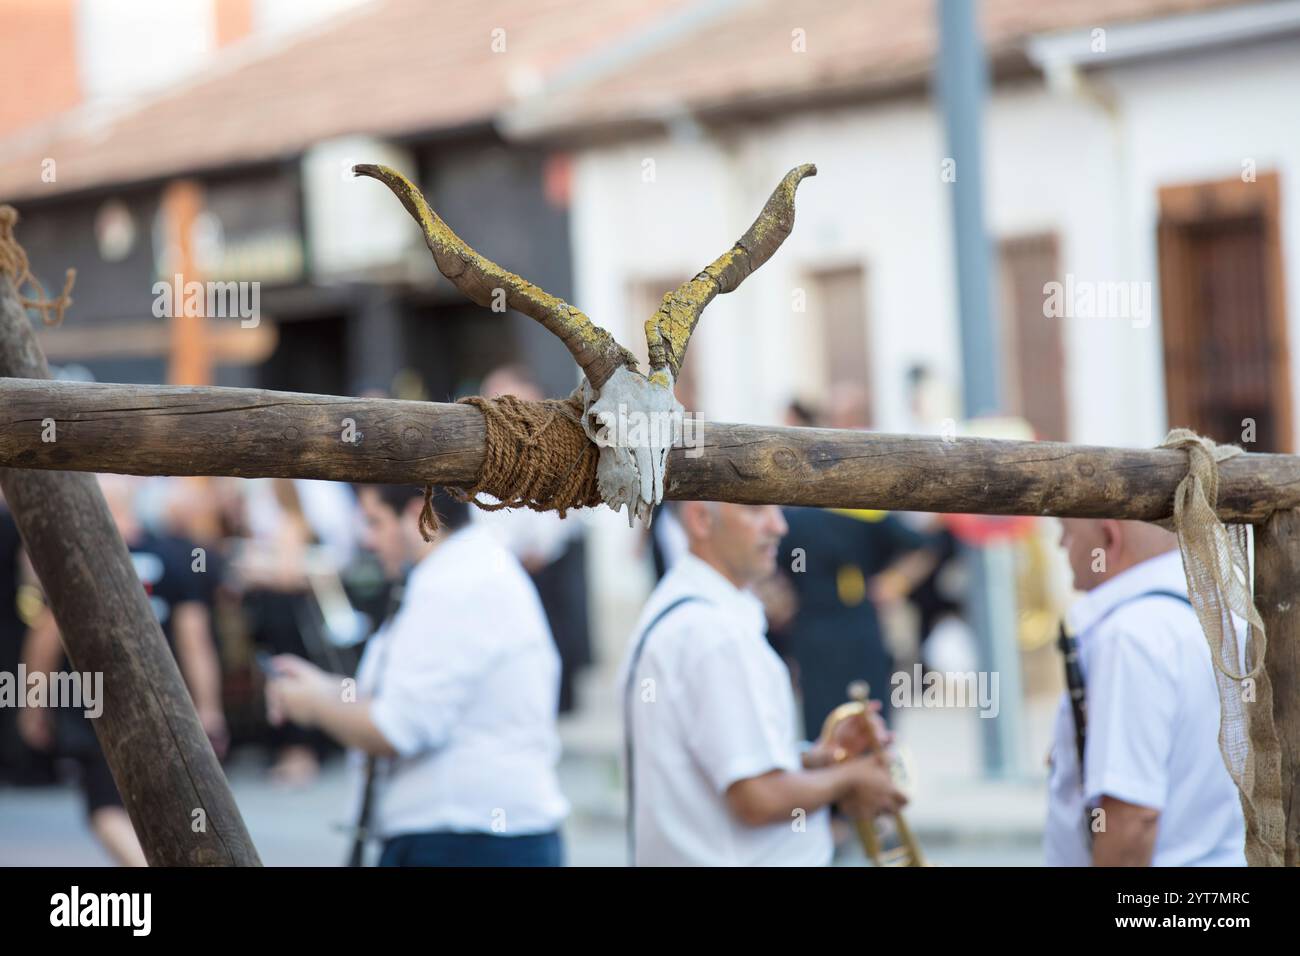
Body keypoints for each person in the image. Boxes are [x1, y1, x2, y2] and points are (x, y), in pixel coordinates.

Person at [265, 485, 568, 866]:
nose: (369, 540)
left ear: (418, 516)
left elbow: (397, 726)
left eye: (375, 522)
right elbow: (407, 699)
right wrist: (323, 688)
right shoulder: (462, 570)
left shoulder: (455, 585)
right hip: (469, 835)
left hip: (466, 842)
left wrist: (314, 705)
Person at [623, 500, 907, 866]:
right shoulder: (717, 634)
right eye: (756, 510)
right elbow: (758, 799)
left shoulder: (691, 611)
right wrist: (850, 777)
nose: (779, 526)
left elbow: (719, 766)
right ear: (700, 518)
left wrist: (816, 760)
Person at [19, 475, 226, 866]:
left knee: (106, 810)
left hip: (102, 708)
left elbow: (47, 639)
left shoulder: (78, 558)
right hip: (170, 703)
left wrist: (33, 705)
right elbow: (196, 643)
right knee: (171, 809)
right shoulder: (176, 555)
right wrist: (209, 708)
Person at [1047, 517, 1247, 866]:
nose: (1060, 544)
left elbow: (1132, 819)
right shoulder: (1223, 616)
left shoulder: (1130, 636)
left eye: (1067, 530)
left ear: (1109, 539)